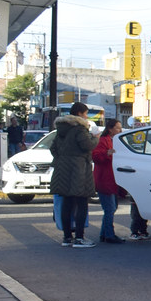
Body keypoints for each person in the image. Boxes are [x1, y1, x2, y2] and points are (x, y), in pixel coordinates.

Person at [49, 102, 98, 248]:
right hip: (79, 170)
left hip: (63, 170)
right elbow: (88, 145)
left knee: (67, 203)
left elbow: (53, 148)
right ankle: (79, 238)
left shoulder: (61, 130)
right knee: (82, 202)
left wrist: (63, 160)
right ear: (79, 114)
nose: (86, 116)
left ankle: (66, 237)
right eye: (85, 113)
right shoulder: (79, 129)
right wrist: (96, 137)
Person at [92, 118, 125, 243]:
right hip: (105, 179)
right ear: (110, 129)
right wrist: (107, 153)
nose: (120, 130)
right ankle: (109, 234)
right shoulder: (103, 141)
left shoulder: (116, 141)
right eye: (117, 127)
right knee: (110, 208)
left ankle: (104, 233)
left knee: (111, 208)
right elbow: (95, 156)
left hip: (113, 179)